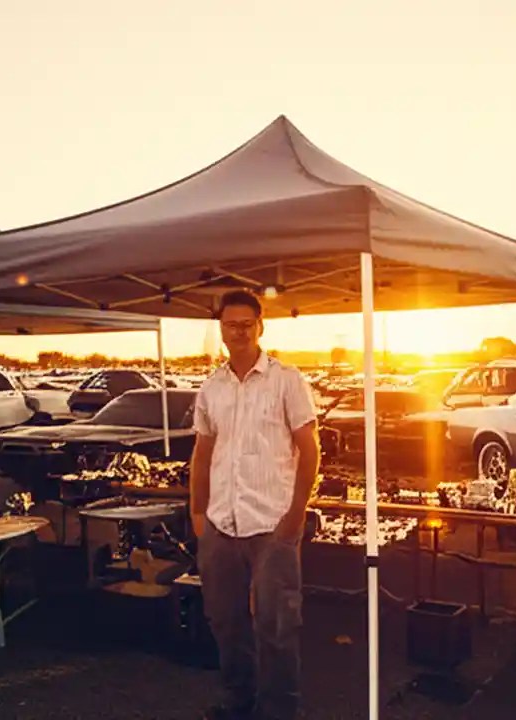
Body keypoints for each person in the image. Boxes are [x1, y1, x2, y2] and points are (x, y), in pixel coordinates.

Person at [190, 289, 321, 720]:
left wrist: (296, 514)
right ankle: (238, 699)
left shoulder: (287, 380)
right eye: (231, 325)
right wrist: (197, 511)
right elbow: (203, 453)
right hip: (221, 524)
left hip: (272, 524)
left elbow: (310, 447)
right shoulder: (212, 388)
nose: (240, 331)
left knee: (277, 626)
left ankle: (282, 710)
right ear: (221, 330)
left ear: (261, 326)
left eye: (247, 324)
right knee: (225, 621)